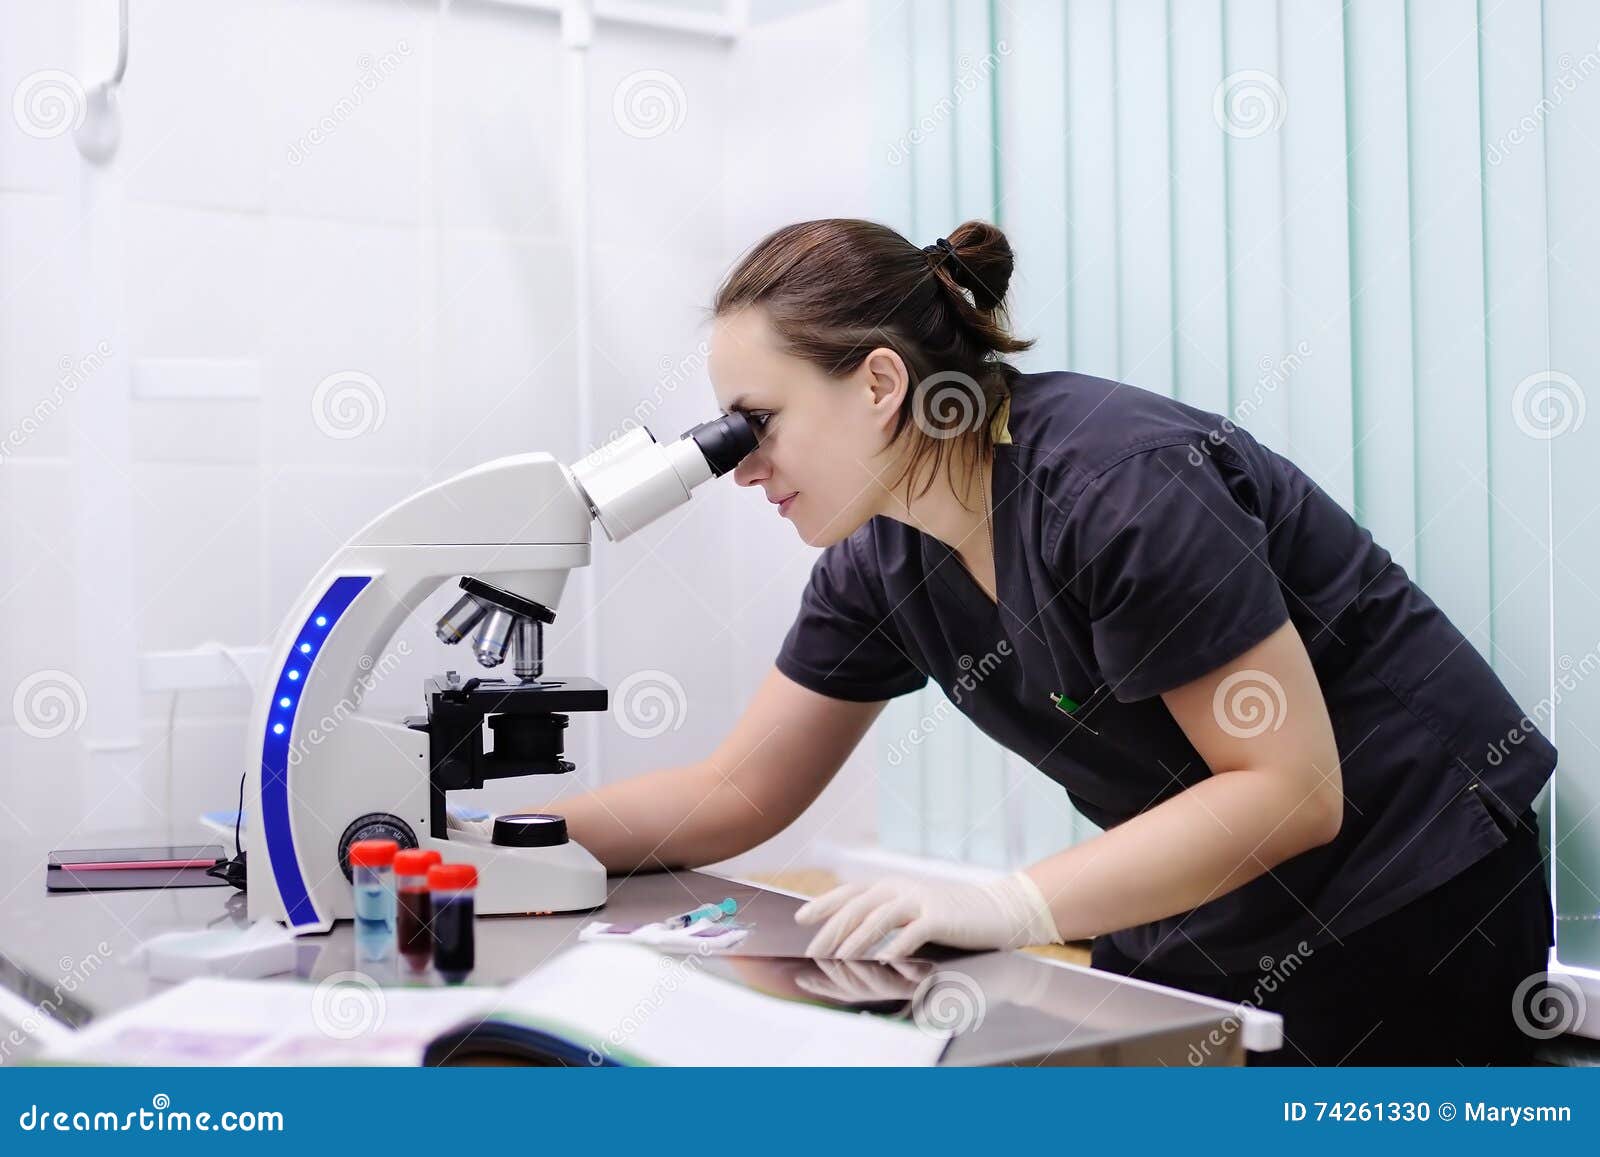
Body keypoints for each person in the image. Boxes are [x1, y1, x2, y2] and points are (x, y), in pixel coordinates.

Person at [473, 218, 1557, 1065]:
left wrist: (1009, 904)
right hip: (1203, 900)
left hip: (1406, 880)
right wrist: (482, 840)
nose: (739, 465)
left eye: (757, 422)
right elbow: (740, 791)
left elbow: (1289, 790)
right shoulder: (880, 559)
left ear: (882, 384)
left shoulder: (1116, 486)